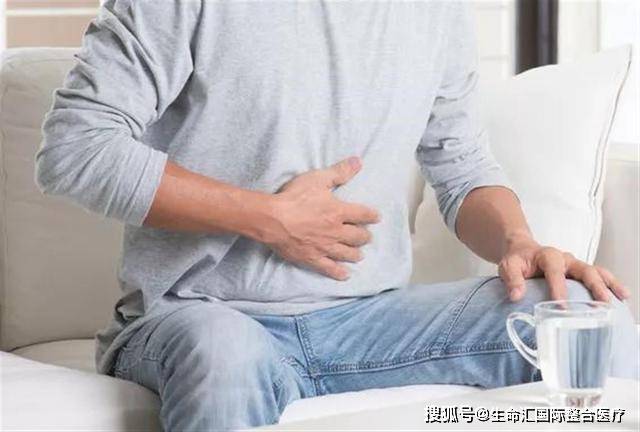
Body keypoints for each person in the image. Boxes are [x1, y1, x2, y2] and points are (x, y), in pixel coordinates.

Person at [35, 0, 638, 430]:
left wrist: (517, 240)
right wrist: (267, 217)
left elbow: (462, 166)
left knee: (587, 314)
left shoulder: (434, 11)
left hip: (367, 320)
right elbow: (75, 147)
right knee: (225, 353)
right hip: (201, 314)